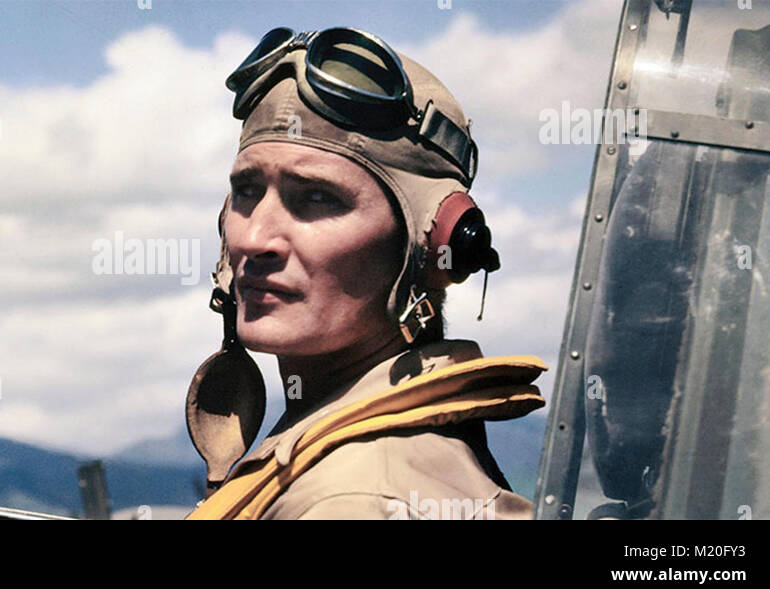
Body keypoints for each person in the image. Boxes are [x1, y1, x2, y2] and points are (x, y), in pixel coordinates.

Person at [184, 27, 546, 520]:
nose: (252, 238)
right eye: (247, 191)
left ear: (433, 244)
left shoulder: (357, 500)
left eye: (316, 197)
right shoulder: (338, 449)